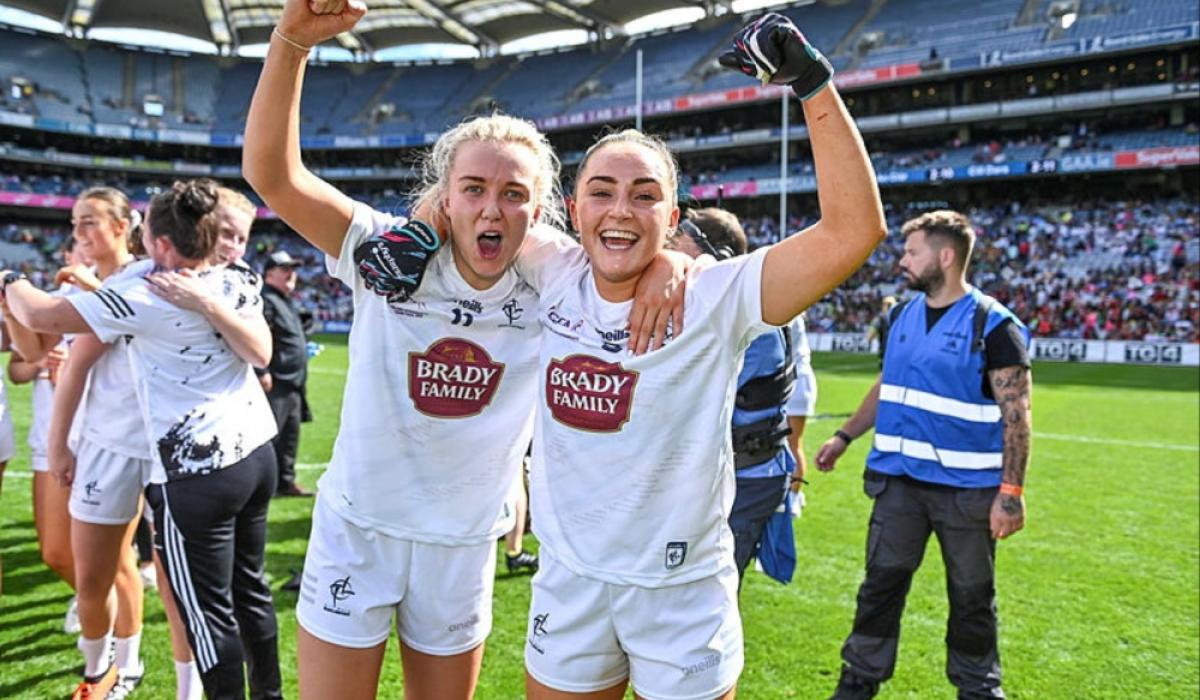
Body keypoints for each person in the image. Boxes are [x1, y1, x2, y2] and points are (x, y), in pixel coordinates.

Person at [243, 2, 684, 697]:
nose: (491, 209)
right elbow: (272, 175)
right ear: (443, 197)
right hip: (358, 529)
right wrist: (292, 42)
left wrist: (668, 264)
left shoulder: (557, 276)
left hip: (463, 543)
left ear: (540, 210)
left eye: (514, 194)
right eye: (473, 189)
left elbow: (629, 252)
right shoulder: (382, 250)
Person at [523, 13, 886, 699]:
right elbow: (465, 200)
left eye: (644, 195)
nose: (620, 210)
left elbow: (854, 230)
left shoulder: (715, 294)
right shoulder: (546, 267)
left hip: (681, 594)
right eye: (602, 191)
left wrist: (811, 83)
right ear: (572, 209)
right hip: (569, 582)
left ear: (673, 215)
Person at [3, 179, 283, 700]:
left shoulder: (142, 293)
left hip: (197, 471)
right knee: (250, 593)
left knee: (204, 611)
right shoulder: (235, 275)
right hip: (255, 453)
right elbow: (262, 352)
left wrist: (8, 276)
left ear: (156, 242)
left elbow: (39, 315)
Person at [814, 210, 1033, 700]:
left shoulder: (994, 324)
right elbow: (888, 384)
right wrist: (845, 436)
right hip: (898, 487)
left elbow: (1017, 414)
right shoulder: (897, 315)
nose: (902, 260)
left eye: (912, 251)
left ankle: (978, 689)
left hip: (967, 493)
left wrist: (1011, 493)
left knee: (973, 598)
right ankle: (858, 682)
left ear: (946, 256)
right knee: (880, 588)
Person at [669, 207, 797, 585]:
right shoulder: (738, 304)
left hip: (746, 477)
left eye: (680, 242)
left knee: (710, 592)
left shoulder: (744, 314)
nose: (670, 249)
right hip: (739, 472)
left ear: (719, 257)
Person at [3, 237, 82, 627]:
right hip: (48, 439)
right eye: (76, 242)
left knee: (105, 548)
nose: (83, 249)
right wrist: (39, 363)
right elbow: (17, 369)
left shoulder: (120, 296)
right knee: (54, 550)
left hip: (100, 438)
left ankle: (111, 622)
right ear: (66, 255)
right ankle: (94, 599)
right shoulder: (40, 304)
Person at [257, 250, 313, 497]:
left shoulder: (285, 299)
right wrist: (261, 369)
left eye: (294, 268)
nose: (292, 273)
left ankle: (285, 482)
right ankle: (261, 487)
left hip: (293, 381)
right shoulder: (265, 299)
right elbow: (261, 335)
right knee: (268, 436)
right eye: (285, 269)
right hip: (276, 381)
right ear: (269, 273)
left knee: (289, 436)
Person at [785, 311, 817, 510]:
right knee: (792, 444)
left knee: (792, 444)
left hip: (795, 381)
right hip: (798, 380)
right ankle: (793, 494)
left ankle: (794, 496)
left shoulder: (790, 313)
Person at [865, 295, 898, 366]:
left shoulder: (880, 318)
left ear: (885, 305)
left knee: (884, 374)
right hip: (899, 352)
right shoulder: (901, 317)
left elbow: (870, 336)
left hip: (885, 351)